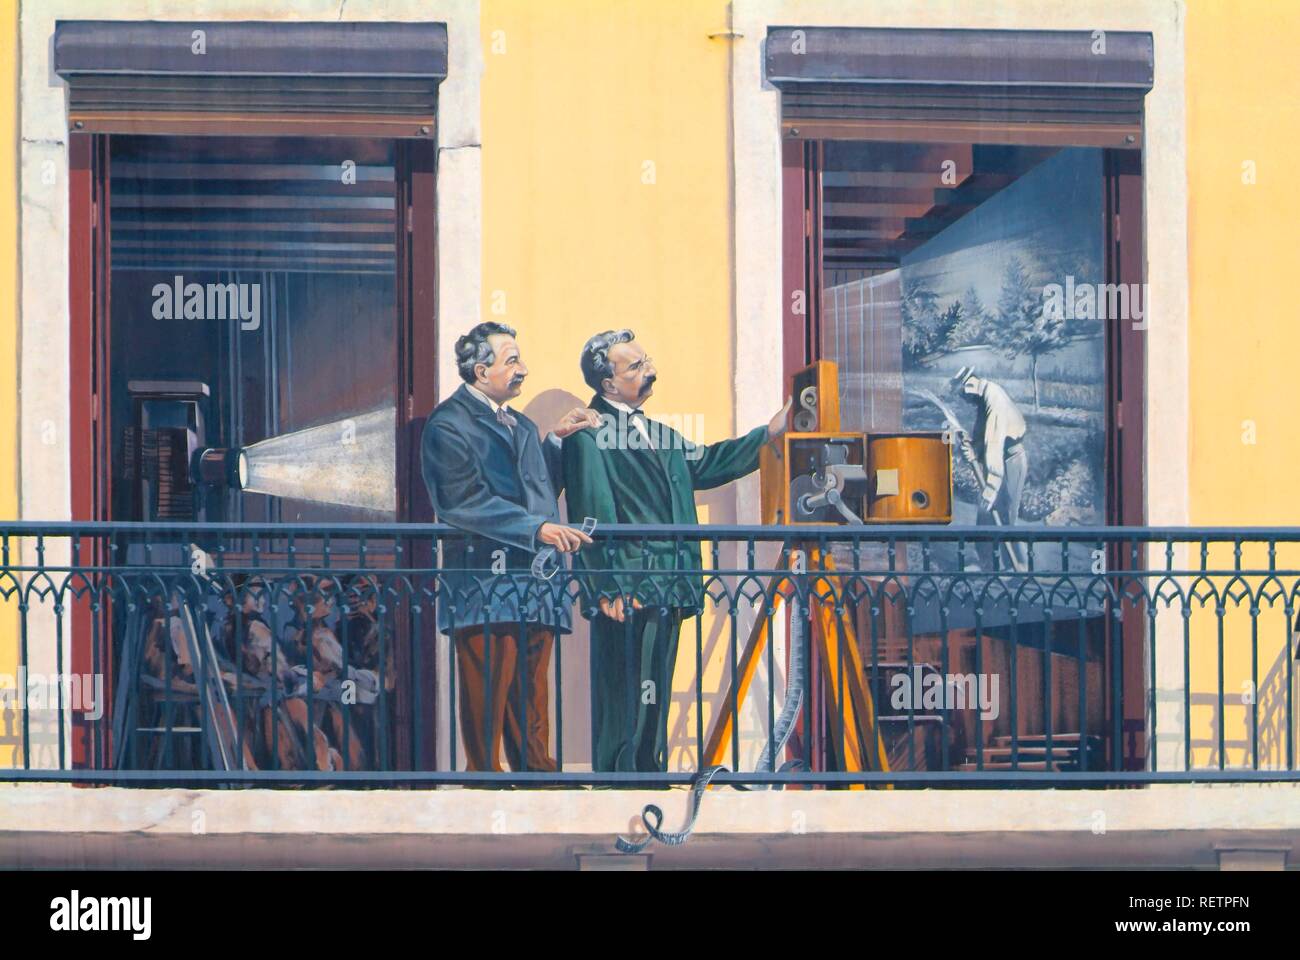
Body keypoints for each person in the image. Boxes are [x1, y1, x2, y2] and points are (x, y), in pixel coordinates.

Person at [562, 329, 791, 773]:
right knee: (624, 695)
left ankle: (650, 777)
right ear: (608, 384)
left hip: (671, 582)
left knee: (655, 691)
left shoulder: (658, 431)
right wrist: (606, 587)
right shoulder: (586, 433)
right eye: (636, 367)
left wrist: (769, 433)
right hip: (628, 585)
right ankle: (620, 784)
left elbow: (706, 464)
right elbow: (590, 512)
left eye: (646, 360)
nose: (650, 371)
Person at [420, 321, 599, 772]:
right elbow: (461, 502)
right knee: (488, 685)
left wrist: (556, 442)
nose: (523, 369)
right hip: (483, 582)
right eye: (512, 361)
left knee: (532, 686)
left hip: (534, 583)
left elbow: (537, 488)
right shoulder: (448, 424)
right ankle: (485, 775)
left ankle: (535, 768)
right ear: (482, 372)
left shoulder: (519, 423)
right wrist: (537, 530)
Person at [950, 365, 1029, 571]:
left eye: (962, 395)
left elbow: (994, 443)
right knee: (985, 514)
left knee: (1005, 515)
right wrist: (972, 448)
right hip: (997, 458)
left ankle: (1015, 567)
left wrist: (991, 487)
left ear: (970, 386)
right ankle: (986, 564)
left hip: (1011, 460)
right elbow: (983, 438)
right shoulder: (984, 398)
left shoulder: (994, 399)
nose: (964, 400)